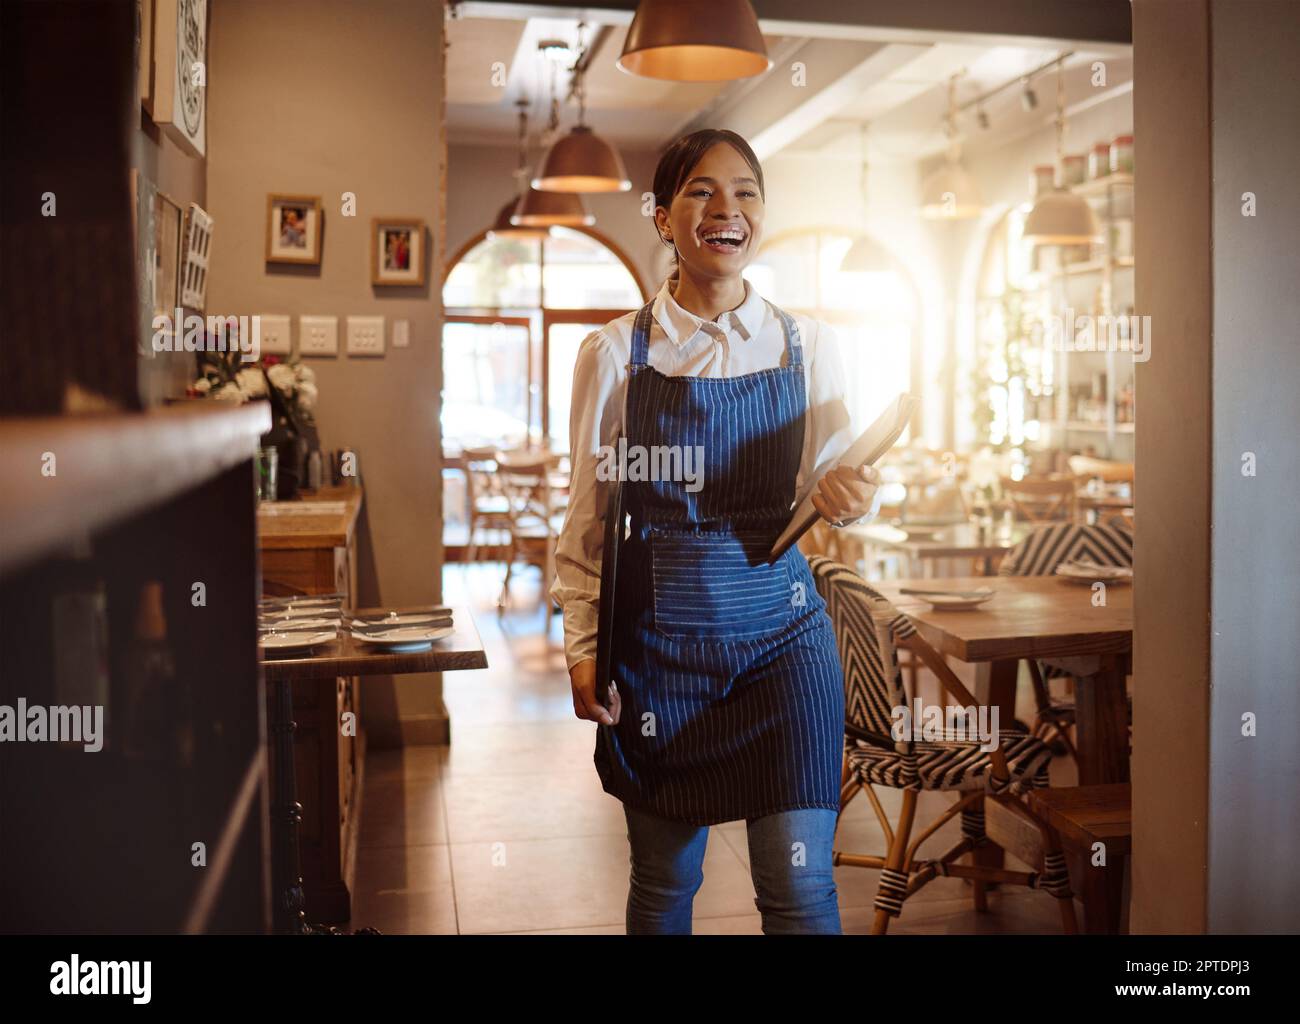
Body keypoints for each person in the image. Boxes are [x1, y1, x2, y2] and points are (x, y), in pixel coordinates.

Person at [551, 129, 880, 935]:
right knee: (666, 883)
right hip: (662, 651)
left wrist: (854, 492)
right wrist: (581, 645)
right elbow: (588, 519)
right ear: (663, 218)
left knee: (800, 890)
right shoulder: (613, 355)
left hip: (784, 642)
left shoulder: (811, 347)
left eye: (747, 192)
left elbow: (840, 493)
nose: (727, 209)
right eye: (702, 191)